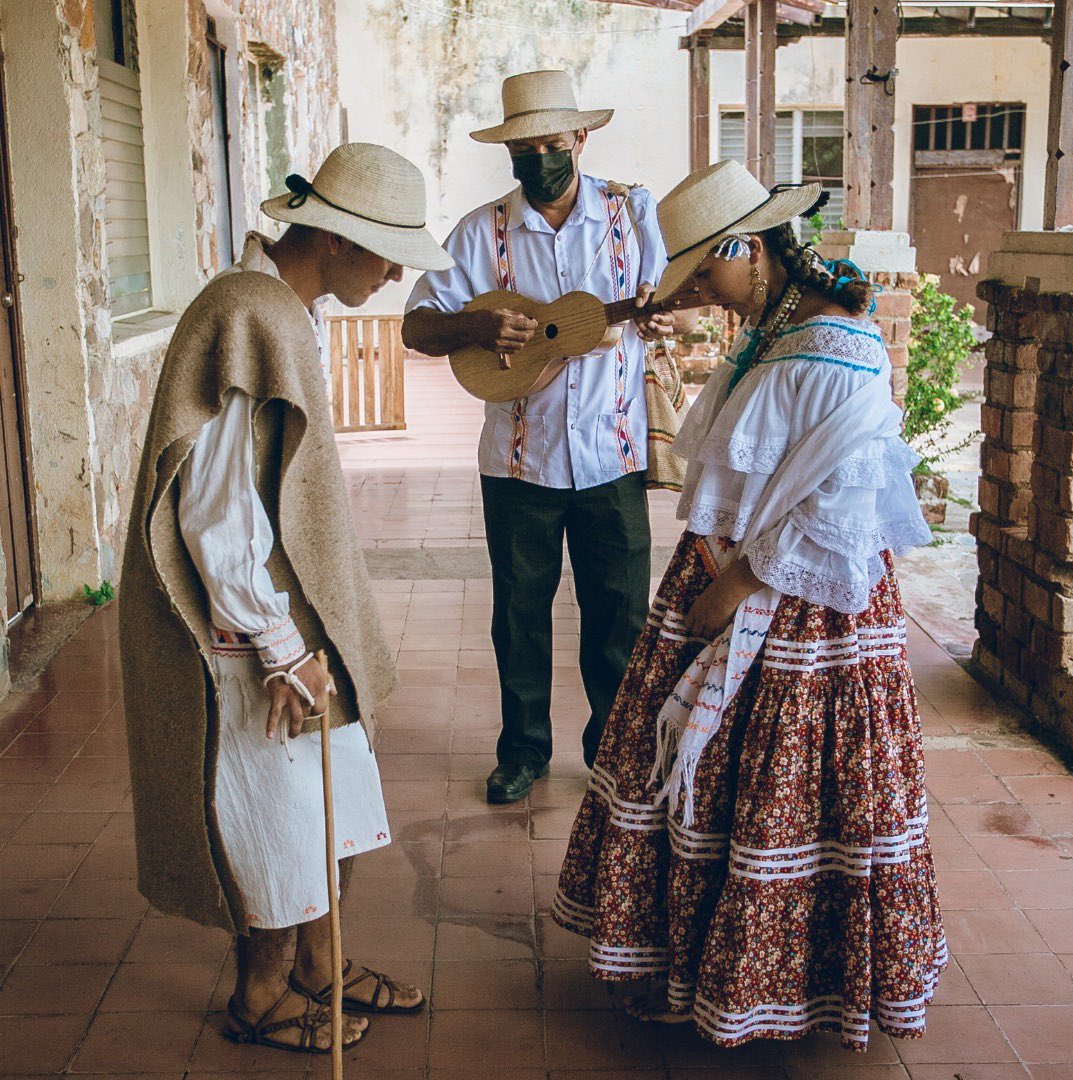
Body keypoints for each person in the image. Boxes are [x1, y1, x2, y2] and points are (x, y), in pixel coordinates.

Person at [553, 160, 947, 1053]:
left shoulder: (836, 347)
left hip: (798, 601)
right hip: (726, 582)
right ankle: (692, 964)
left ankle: (783, 988)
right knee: (706, 782)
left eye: (704, 270)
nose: (698, 291)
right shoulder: (772, 331)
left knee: (785, 787)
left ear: (748, 248)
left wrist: (738, 583)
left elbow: (842, 500)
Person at [120, 144, 454, 1054]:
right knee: (276, 812)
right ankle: (261, 998)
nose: (392, 274)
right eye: (385, 253)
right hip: (245, 628)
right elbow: (215, 512)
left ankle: (321, 964)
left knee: (331, 796)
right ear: (335, 239)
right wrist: (277, 647)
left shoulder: (283, 308)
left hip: (291, 620)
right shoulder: (249, 313)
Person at [403, 69, 673, 804]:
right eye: (524, 148)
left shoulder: (631, 215)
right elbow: (417, 324)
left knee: (618, 616)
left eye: (551, 143)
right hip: (518, 465)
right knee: (519, 614)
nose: (539, 159)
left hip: (613, 458)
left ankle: (611, 749)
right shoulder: (478, 232)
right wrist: (472, 324)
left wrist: (665, 313)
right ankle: (522, 750)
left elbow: (665, 301)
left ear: (581, 138)